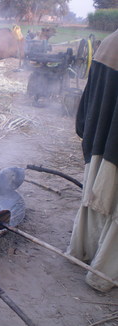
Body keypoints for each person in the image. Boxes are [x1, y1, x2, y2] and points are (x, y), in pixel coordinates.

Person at [66, 29, 118, 292]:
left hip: (98, 142)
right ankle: (103, 275)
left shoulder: (109, 43)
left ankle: (81, 251)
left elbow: (87, 103)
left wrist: (87, 133)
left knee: (93, 201)